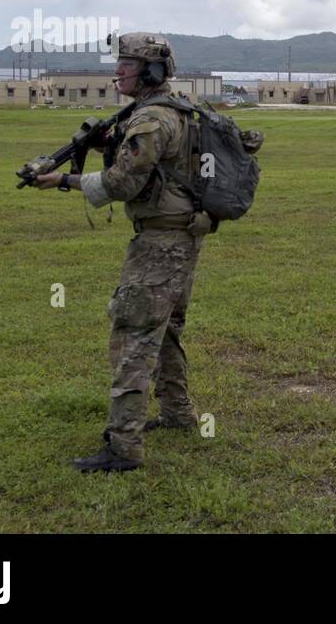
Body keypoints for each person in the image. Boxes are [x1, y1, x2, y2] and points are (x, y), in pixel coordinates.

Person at [33, 32, 208, 472]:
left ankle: (124, 447)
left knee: (133, 334)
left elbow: (123, 184)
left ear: (150, 71)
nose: (117, 73)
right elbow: (157, 168)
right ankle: (178, 413)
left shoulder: (151, 120)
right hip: (184, 234)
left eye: (126, 65)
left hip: (160, 242)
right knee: (166, 329)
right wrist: (105, 146)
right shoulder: (180, 110)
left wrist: (66, 181)